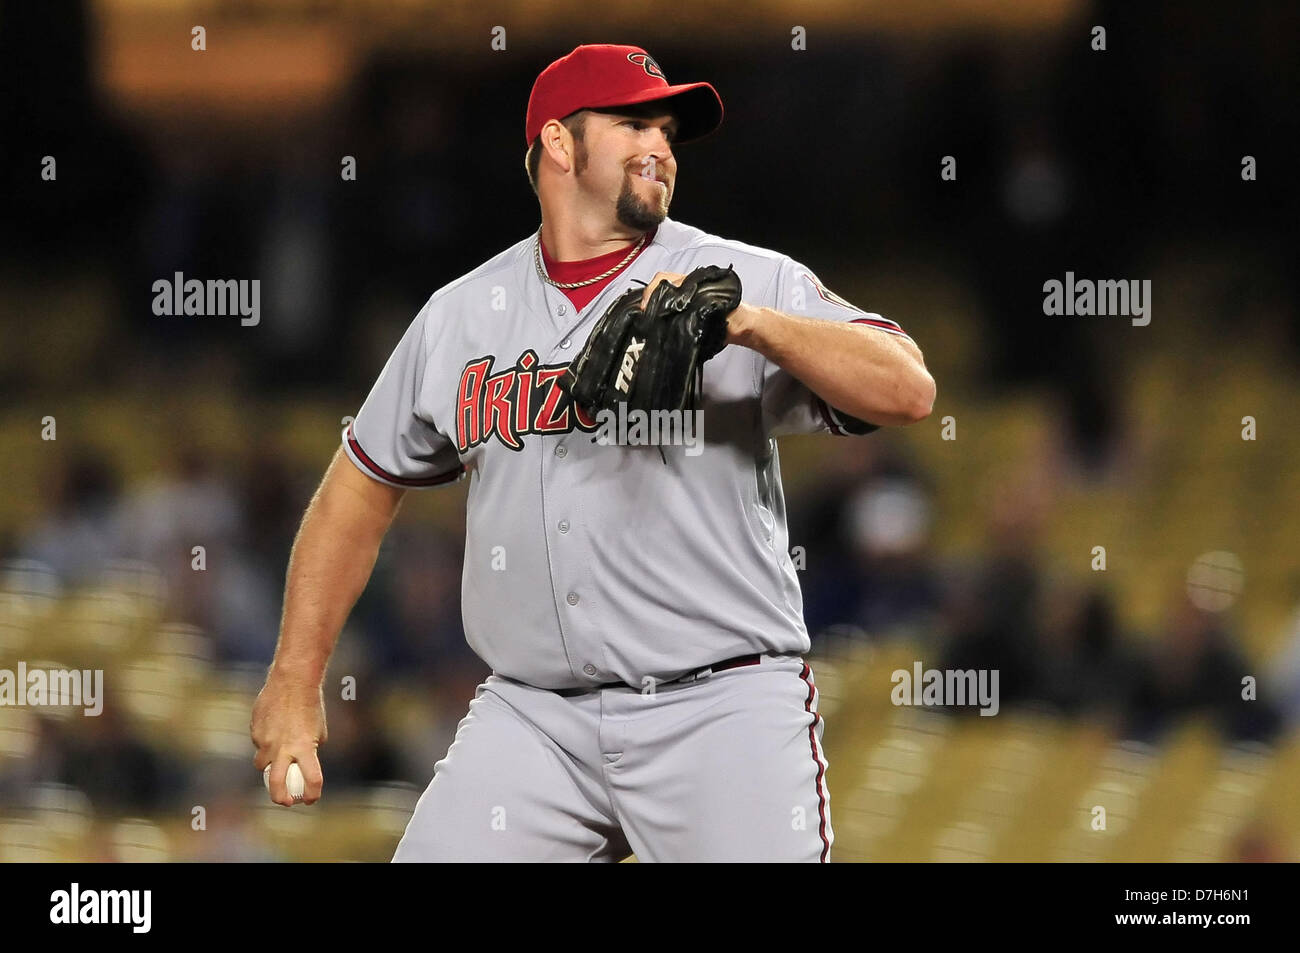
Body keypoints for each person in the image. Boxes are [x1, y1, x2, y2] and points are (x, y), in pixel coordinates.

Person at [251, 43, 935, 862]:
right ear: (558, 143)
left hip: (719, 707)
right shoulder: (462, 315)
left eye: (668, 132)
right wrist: (294, 678)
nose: (661, 147)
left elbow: (908, 389)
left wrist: (754, 326)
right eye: (634, 125)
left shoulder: (735, 278)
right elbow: (360, 486)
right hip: (534, 717)